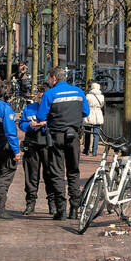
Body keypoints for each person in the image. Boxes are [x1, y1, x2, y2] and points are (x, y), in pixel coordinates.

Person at [38, 66, 89, 220]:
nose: (48, 81)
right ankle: (75, 209)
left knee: (57, 173)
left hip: (56, 137)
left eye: (49, 78)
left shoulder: (49, 94)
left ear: (54, 78)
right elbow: (86, 112)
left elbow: (41, 116)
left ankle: (61, 211)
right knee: (74, 171)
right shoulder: (79, 92)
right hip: (73, 136)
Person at [20, 87, 55, 216]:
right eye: (39, 97)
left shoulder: (52, 108)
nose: (41, 100)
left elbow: (57, 124)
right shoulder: (29, 108)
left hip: (47, 144)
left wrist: (45, 124)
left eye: (43, 98)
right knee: (31, 176)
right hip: (32, 144)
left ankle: (52, 204)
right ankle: (30, 203)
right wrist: (29, 126)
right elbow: (21, 124)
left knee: (49, 174)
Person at [0, 80, 20, 218]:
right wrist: (16, 151)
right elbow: (11, 133)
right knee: (4, 177)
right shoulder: (6, 109)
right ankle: (0, 210)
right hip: (3, 148)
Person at [84, 78, 105, 156]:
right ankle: (94, 151)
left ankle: (86, 150)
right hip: (98, 114)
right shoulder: (101, 96)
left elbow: (85, 105)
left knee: (87, 133)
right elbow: (103, 106)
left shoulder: (88, 95)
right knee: (96, 134)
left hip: (89, 114)